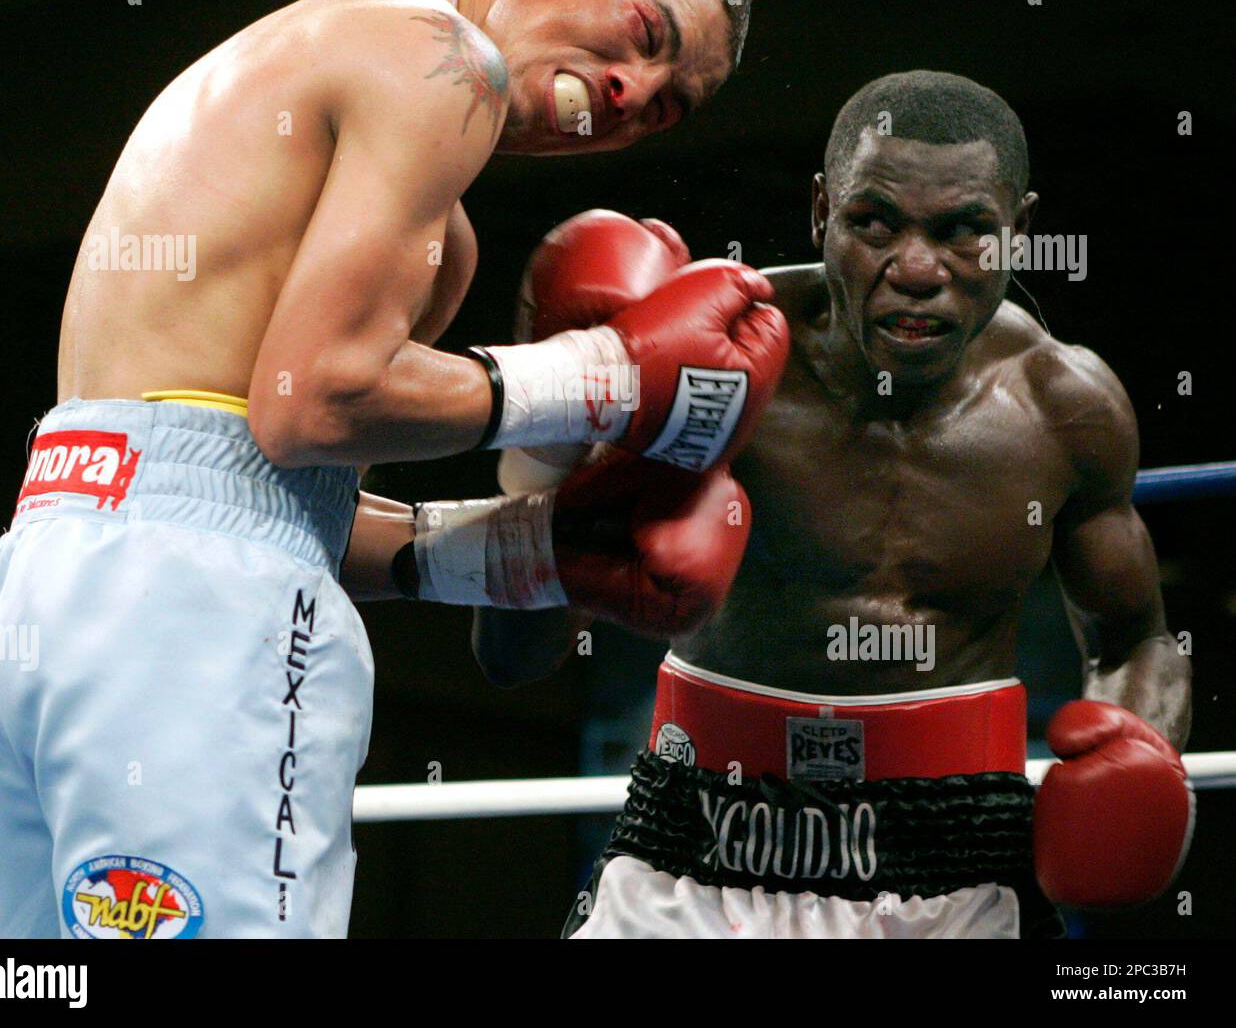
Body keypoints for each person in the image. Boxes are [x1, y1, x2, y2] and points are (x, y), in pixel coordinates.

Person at [0, 0, 789, 939]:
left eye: (666, 110)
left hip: (56, 575)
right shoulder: (440, 58)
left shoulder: (402, 176)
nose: (634, 93)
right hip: (190, 617)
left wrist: (519, 554)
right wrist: (605, 377)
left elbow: (244, 480)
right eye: (646, 35)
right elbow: (309, 404)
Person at [474, 70, 1194, 939]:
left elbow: (1137, 637)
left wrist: (1142, 744)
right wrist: (547, 450)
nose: (918, 270)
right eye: (875, 223)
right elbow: (511, 657)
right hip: (696, 850)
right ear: (822, 214)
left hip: (954, 870)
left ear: (1021, 233)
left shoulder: (1067, 409)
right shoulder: (712, 374)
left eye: (966, 232)